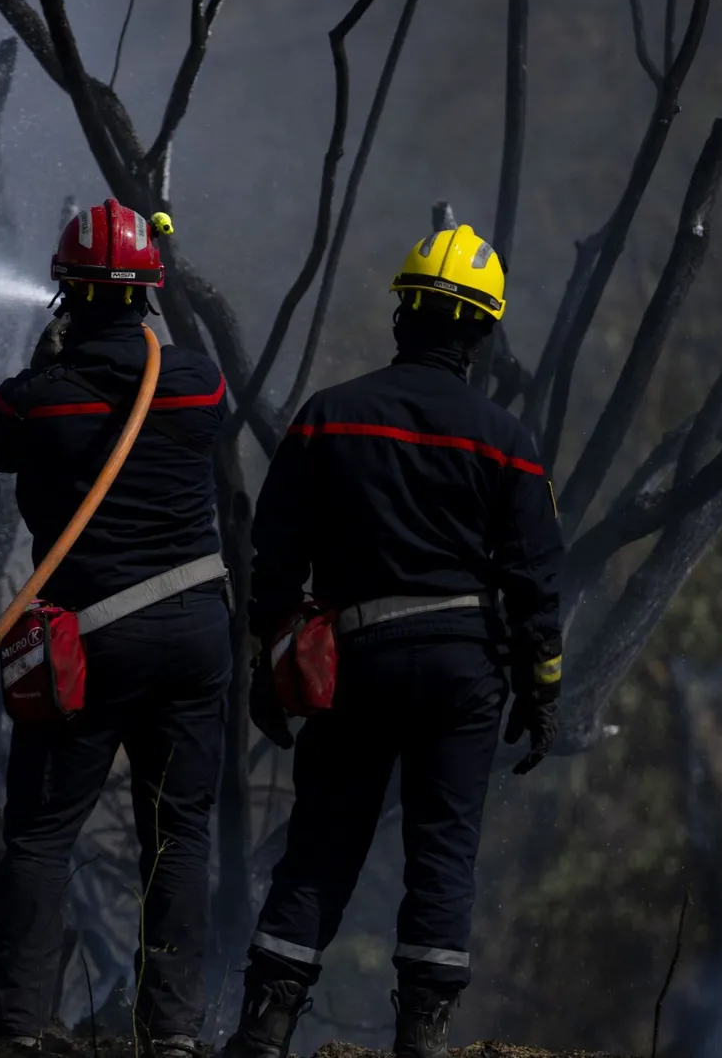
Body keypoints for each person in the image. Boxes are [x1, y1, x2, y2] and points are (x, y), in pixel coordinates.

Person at [222, 225, 563, 1058]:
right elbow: (534, 579)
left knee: (322, 842)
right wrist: (541, 685)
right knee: (444, 847)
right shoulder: (506, 441)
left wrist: (271, 662)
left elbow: (273, 553)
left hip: (356, 663)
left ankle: (265, 1028)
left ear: (404, 314)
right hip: (464, 672)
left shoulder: (328, 417)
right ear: (481, 336)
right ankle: (423, 1038)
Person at [0, 199, 230, 1057]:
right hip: (197, 632)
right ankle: (174, 1034)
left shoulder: (39, 400)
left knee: (42, 835)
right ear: (150, 294)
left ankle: (13, 1032)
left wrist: (49, 360)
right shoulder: (198, 382)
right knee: (180, 833)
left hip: (93, 641)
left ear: (64, 296)